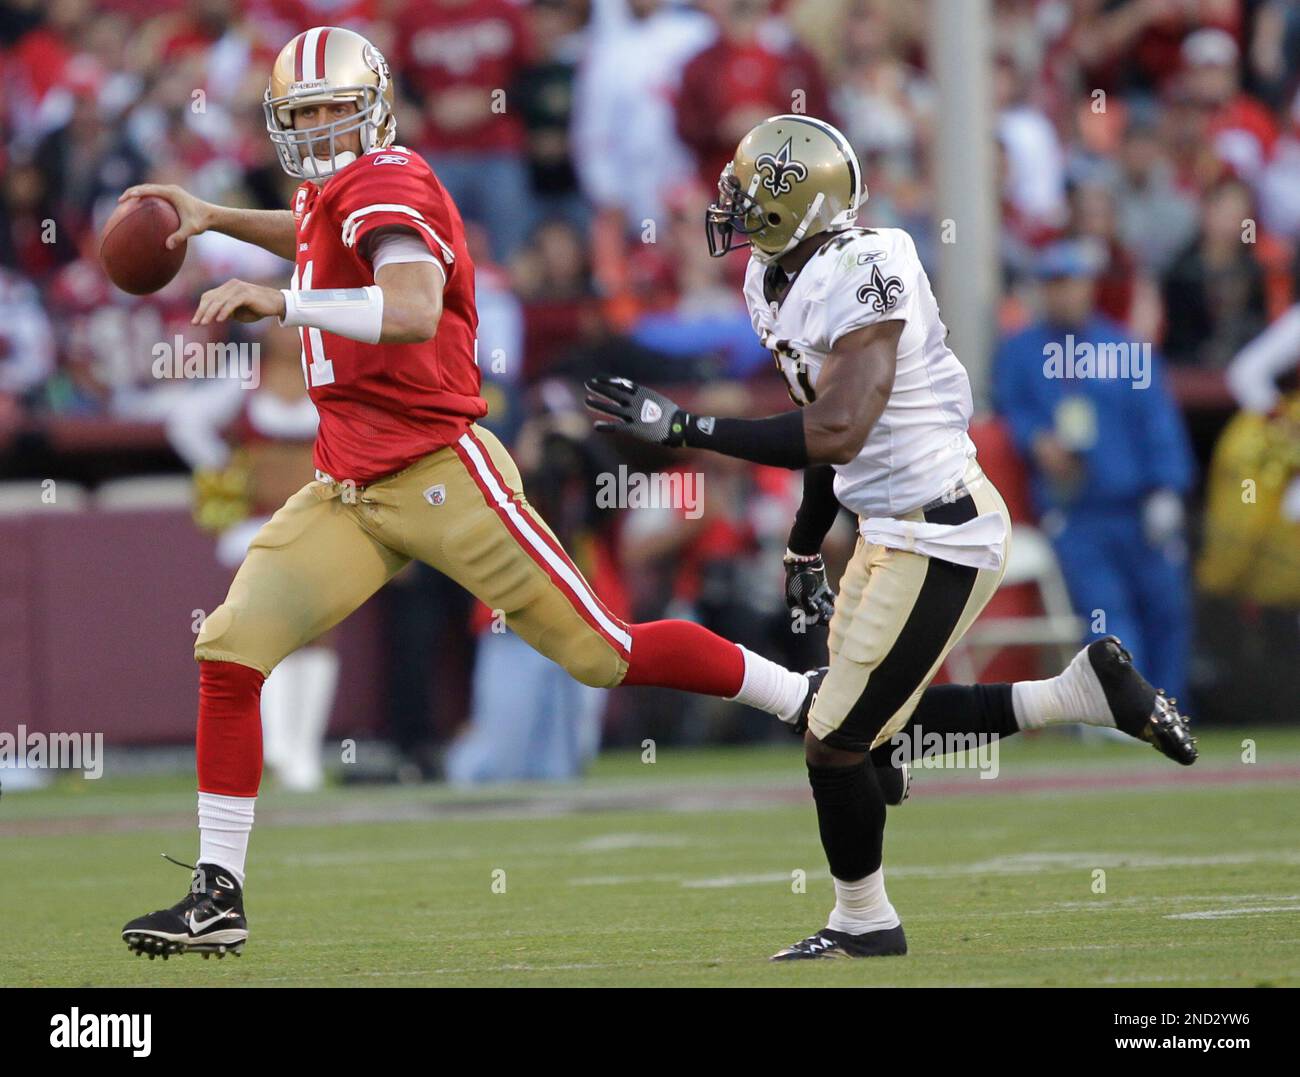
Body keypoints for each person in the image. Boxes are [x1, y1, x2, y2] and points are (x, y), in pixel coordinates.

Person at [117, 27, 818, 960]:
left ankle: (806, 698)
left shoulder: (390, 181)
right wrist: (212, 214)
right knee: (230, 650)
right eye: (305, 115)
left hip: (441, 471)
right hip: (349, 485)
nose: (322, 129)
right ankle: (218, 893)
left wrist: (280, 302)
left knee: (602, 652)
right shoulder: (346, 188)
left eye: (334, 110)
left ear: (372, 107)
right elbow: (319, 238)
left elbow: (406, 308)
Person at [585, 115, 1197, 961]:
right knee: (860, 721)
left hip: (939, 527)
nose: (729, 199)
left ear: (796, 207)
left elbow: (837, 427)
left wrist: (688, 424)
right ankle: (1079, 694)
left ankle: (865, 921)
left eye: (750, 188)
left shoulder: (872, 265)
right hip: (885, 525)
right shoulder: (770, 280)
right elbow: (820, 432)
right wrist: (804, 543)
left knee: (835, 742)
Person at [995, 239, 1196, 707]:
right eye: (1057, 285)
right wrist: (1035, 439)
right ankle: (1127, 711)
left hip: (1136, 506)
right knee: (1107, 612)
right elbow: (1010, 412)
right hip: (1076, 509)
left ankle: (1172, 709)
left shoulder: (1122, 347)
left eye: (1075, 283)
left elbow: (1157, 420)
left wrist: (1167, 488)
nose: (1068, 294)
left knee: (1167, 608)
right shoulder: (1021, 352)